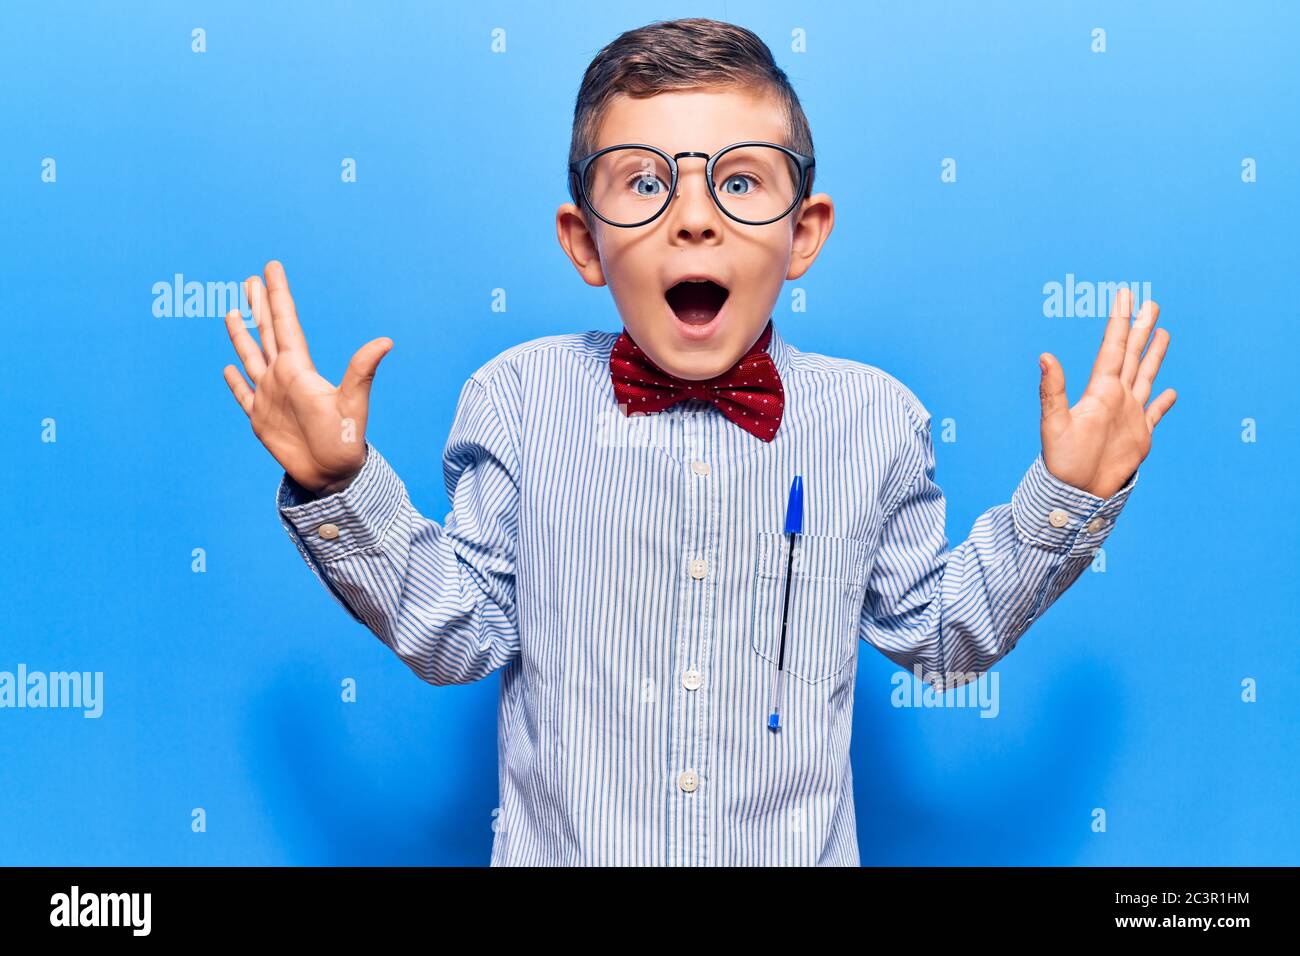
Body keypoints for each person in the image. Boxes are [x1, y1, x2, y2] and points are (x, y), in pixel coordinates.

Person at [221, 18, 1175, 866]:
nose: (694, 217)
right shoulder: (516, 398)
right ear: (584, 242)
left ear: (804, 233)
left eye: (741, 180)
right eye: (642, 181)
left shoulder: (875, 421)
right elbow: (459, 636)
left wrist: (1066, 499)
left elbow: (937, 634)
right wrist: (339, 484)